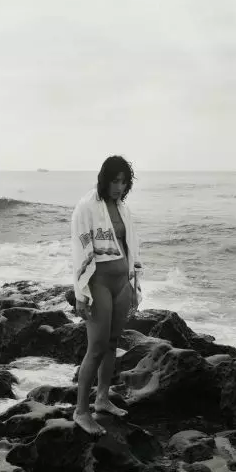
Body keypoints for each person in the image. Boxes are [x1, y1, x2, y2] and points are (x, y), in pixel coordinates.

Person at [70, 155, 142, 436]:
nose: (119, 187)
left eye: (124, 182)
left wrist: (134, 284)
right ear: (105, 179)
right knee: (96, 347)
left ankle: (101, 399)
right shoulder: (87, 207)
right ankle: (81, 411)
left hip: (121, 282)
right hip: (98, 282)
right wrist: (80, 293)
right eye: (115, 181)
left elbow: (130, 246)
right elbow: (79, 250)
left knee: (112, 343)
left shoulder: (122, 207)